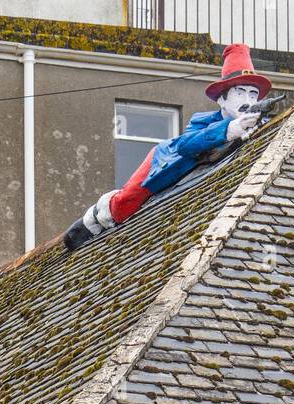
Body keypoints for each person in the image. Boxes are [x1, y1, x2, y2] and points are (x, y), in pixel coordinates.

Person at [64, 43, 274, 250]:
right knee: (125, 203)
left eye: (253, 94)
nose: (248, 100)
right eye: (240, 92)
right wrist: (229, 129)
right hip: (163, 163)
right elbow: (186, 146)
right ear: (221, 99)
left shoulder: (257, 124)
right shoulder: (203, 122)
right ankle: (94, 219)